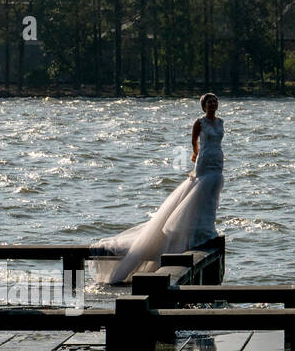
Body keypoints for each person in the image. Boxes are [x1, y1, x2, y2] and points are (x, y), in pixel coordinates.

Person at [91, 94, 225, 285]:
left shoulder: (220, 122)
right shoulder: (199, 122)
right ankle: (199, 232)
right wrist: (196, 154)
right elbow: (194, 141)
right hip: (204, 162)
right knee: (199, 194)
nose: (212, 105)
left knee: (212, 196)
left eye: (214, 102)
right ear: (204, 106)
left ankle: (207, 228)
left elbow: (218, 141)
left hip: (218, 160)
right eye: (209, 102)